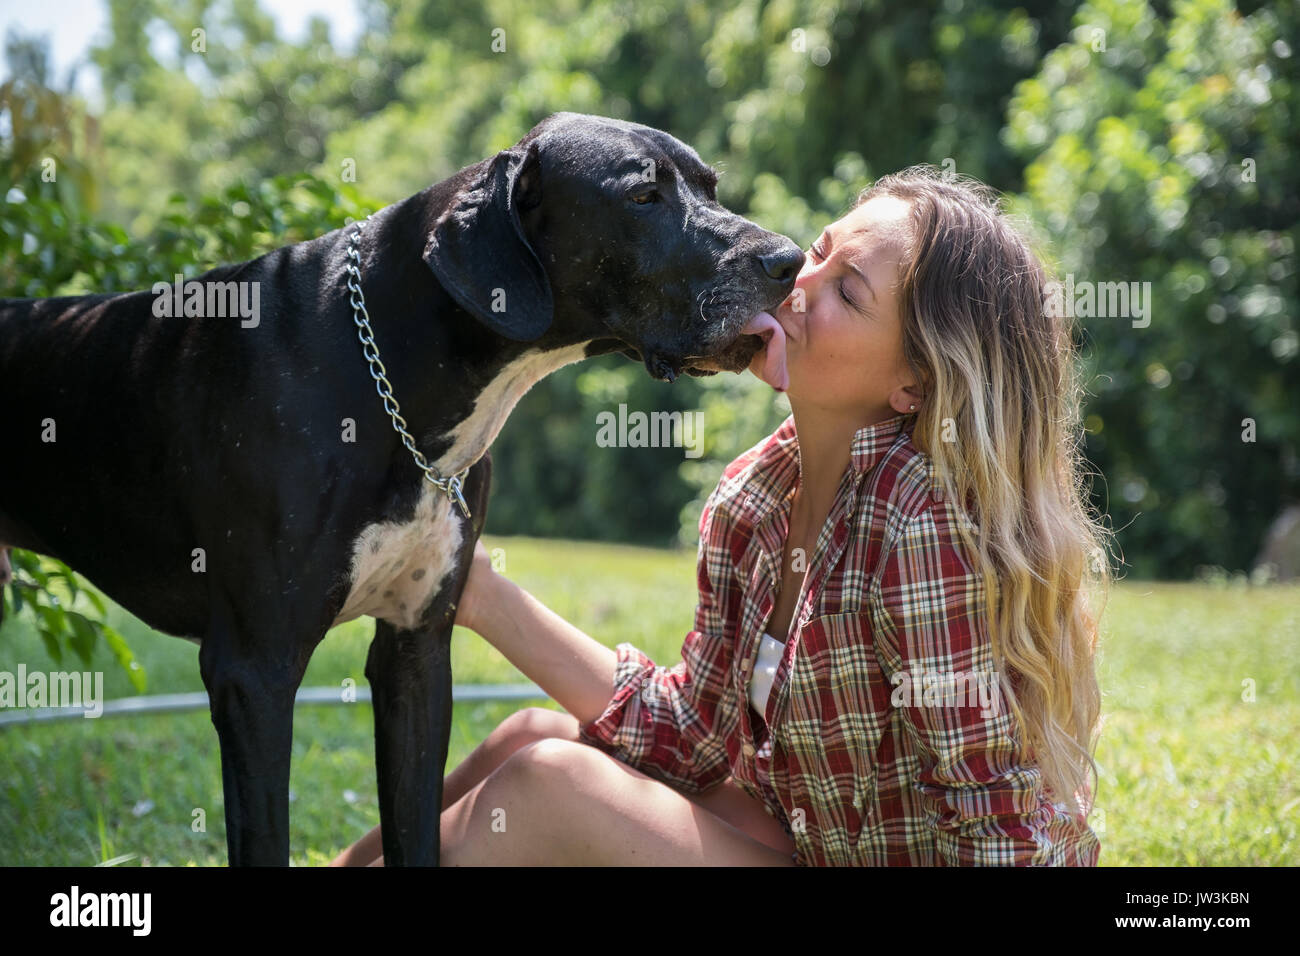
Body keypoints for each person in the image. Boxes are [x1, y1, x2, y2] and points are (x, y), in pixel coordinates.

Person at [331, 164, 1109, 867]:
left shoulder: (922, 526)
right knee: (530, 738)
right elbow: (693, 738)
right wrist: (480, 593)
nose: (800, 282)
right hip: (817, 841)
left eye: (847, 293)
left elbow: (997, 825)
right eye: (821, 250)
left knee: (549, 781)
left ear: (915, 382)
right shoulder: (757, 493)